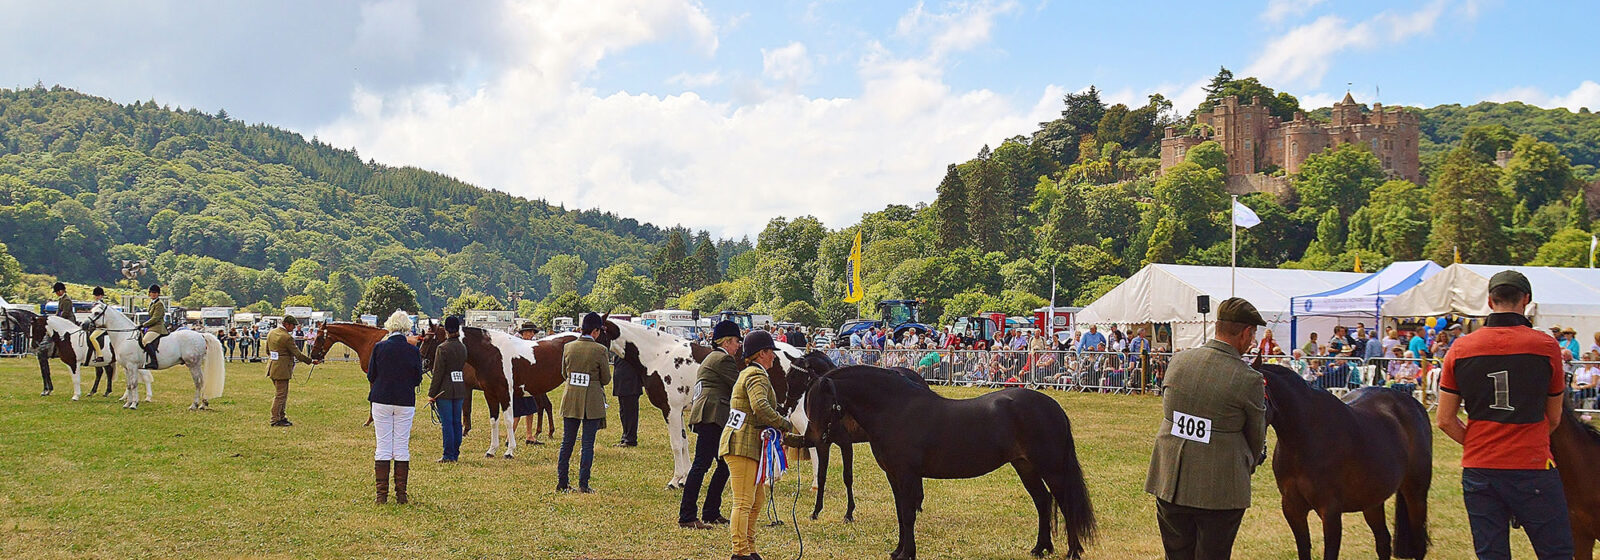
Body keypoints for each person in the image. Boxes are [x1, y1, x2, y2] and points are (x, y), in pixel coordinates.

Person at [1436, 270, 1573, 559]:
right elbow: (1555, 417)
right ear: (1526, 300)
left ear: (1489, 301)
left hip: (1480, 467)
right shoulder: (1547, 346)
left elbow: (1445, 420)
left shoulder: (1460, 348)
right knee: (1556, 552)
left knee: (1491, 554)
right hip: (1532, 465)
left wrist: (1478, 444)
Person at [1145, 297, 1267, 560]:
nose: (1252, 342)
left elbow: (1171, 414)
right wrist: (1252, 460)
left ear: (1217, 325)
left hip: (1170, 480)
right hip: (1220, 488)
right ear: (1246, 333)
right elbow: (1256, 437)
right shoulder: (1249, 379)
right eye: (1253, 335)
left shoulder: (1178, 362)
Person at [720, 329, 800, 560]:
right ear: (761, 353)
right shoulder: (756, 375)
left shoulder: (751, 373)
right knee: (744, 502)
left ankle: (750, 548)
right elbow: (761, 408)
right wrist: (785, 424)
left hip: (748, 444)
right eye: (771, 352)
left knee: (757, 501)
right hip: (741, 445)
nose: (774, 356)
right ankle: (739, 552)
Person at [679, 320, 742, 530]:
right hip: (713, 416)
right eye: (736, 341)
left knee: (722, 464)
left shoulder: (712, 357)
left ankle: (711, 512)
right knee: (701, 465)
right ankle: (687, 515)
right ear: (726, 341)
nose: (738, 346)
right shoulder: (724, 359)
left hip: (710, 415)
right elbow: (740, 386)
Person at [368, 310, 424, 505]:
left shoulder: (379, 347)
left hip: (381, 399)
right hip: (404, 400)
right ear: (407, 327)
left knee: (383, 445)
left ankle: (381, 495)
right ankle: (401, 494)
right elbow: (418, 378)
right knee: (401, 446)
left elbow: (371, 375)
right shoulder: (413, 351)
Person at [557, 313, 611, 493]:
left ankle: (562, 482)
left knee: (567, 442)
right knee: (587, 444)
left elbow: (565, 374)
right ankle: (583, 484)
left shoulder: (568, 347)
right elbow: (606, 378)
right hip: (592, 400)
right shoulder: (600, 350)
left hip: (571, 398)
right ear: (595, 331)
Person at [427, 316, 469, 463]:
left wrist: (432, 394)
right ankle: (455, 453)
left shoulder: (442, 348)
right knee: (457, 422)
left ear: (446, 330)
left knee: (447, 423)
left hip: (444, 390)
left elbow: (437, 373)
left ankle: (448, 455)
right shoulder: (463, 347)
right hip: (459, 388)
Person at [265, 315, 317, 427]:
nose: (293, 329)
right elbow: (297, 354)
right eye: (292, 326)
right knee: (280, 395)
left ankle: (281, 417)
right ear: (286, 324)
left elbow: (267, 351)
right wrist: (311, 361)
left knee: (282, 394)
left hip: (272, 367)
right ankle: (275, 419)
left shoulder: (271, 333)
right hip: (282, 370)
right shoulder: (287, 337)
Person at [512, 321, 543, 445]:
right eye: (529, 331)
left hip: (529, 383)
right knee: (517, 412)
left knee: (531, 410)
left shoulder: (532, 345)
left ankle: (529, 436)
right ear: (523, 333)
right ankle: (510, 437)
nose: (531, 334)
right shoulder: (516, 345)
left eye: (533, 332)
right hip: (519, 383)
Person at [612, 347, 644, 448]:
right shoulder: (619, 352)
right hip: (622, 387)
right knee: (624, 413)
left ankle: (630, 439)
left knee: (630, 414)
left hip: (630, 387)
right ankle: (625, 436)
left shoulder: (632, 352)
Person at [139, 285, 167, 369]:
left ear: (158, 294)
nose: (153, 294)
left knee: (145, 340)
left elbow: (155, 318)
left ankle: (154, 362)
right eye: (152, 292)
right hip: (152, 327)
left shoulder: (159, 304)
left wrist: (143, 324)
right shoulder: (153, 303)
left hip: (157, 327)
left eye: (155, 293)